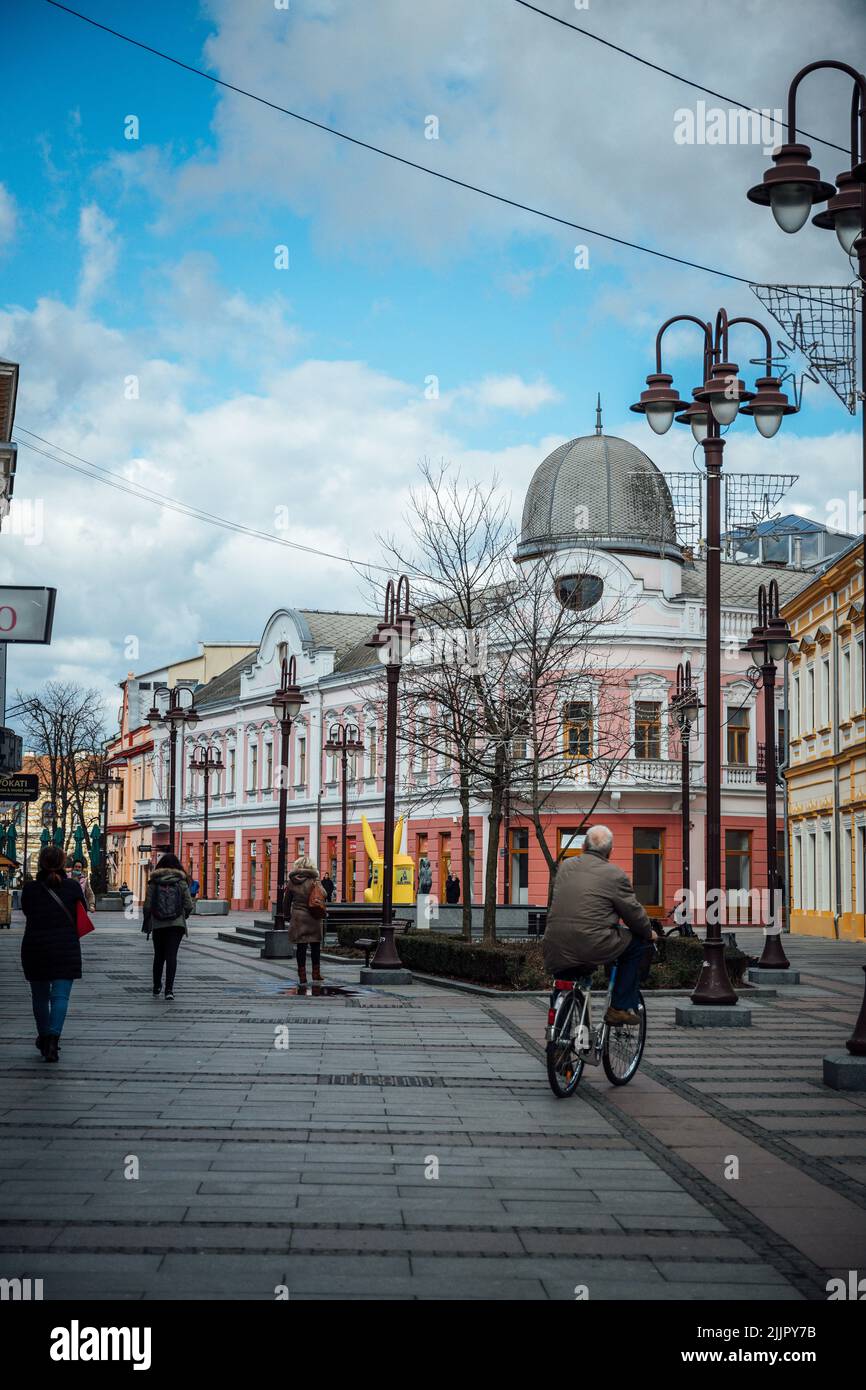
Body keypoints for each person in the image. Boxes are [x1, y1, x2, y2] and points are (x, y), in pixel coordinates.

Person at [543, 824, 661, 1026]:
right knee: (636, 944)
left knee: (565, 978)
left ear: (583, 847)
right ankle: (619, 1007)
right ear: (610, 852)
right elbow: (633, 914)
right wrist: (649, 933)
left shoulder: (565, 867)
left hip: (554, 942)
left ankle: (557, 1036)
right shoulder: (615, 875)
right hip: (592, 943)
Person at [20, 845, 86, 1062]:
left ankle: (44, 1035)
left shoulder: (30, 889)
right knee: (60, 997)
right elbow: (81, 914)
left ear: (41, 863)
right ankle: (53, 1041)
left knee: (39, 997)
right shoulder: (73, 888)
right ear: (62, 864)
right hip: (65, 948)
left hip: (35, 947)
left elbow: (28, 912)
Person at [142, 853, 194, 1000]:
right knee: (172, 956)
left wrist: (149, 919)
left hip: (158, 924)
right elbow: (189, 905)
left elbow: (147, 905)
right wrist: (183, 916)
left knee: (158, 956)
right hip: (176, 924)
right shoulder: (181, 881)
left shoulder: (154, 882)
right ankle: (169, 990)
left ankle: (156, 986)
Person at [283, 855, 326, 985]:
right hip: (314, 916)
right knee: (315, 946)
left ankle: (302, 976)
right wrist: (318, 883)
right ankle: (316, 973)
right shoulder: (314, 880)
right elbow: (324, 894)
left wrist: (287, 916)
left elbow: (286, 901)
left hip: (298, 917)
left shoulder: (292, 882)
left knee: (301, 947)